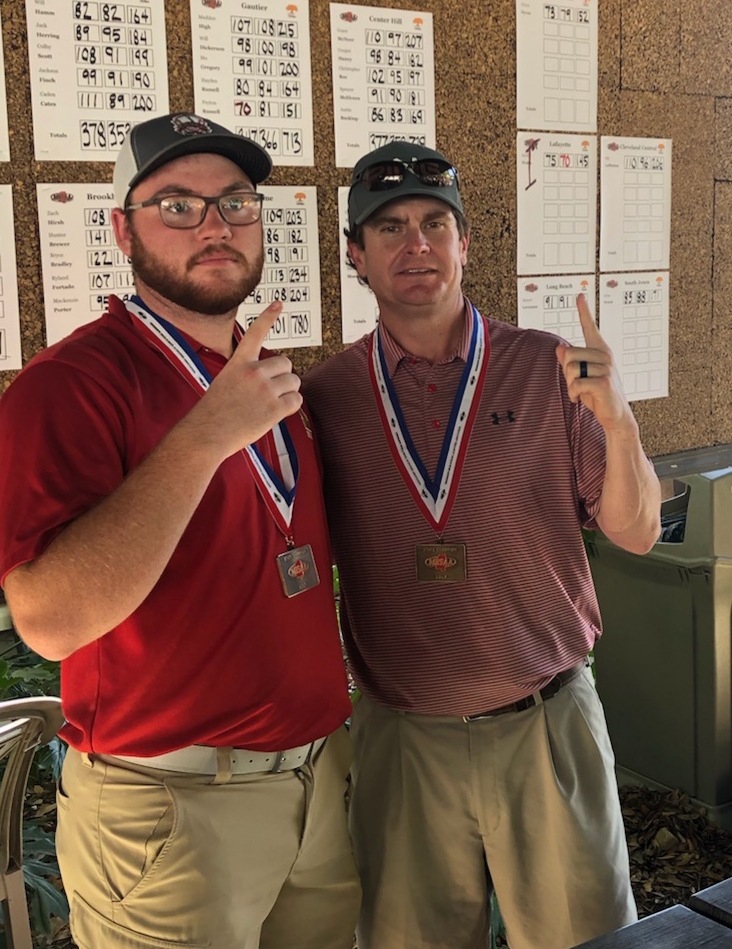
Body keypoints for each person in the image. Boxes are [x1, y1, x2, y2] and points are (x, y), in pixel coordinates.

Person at [0, 113, 359, 949]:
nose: (215, 226)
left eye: (236, 203)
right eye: (178, 206)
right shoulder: (71, 386)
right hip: (173, 816)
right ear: (124, 229)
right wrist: (203, 436)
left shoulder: (261, 374)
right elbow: (48, 621)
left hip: (314, 789)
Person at [302, 141, 662, 949]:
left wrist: (619, 418)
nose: (416, 245)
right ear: (357, 256)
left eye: (436, 223)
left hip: (545, 724)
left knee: (589, 940)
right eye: (389, 228)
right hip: (404, 738)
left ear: (466, 243)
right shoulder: (325, 399)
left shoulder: (549, 369)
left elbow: (636, 533)